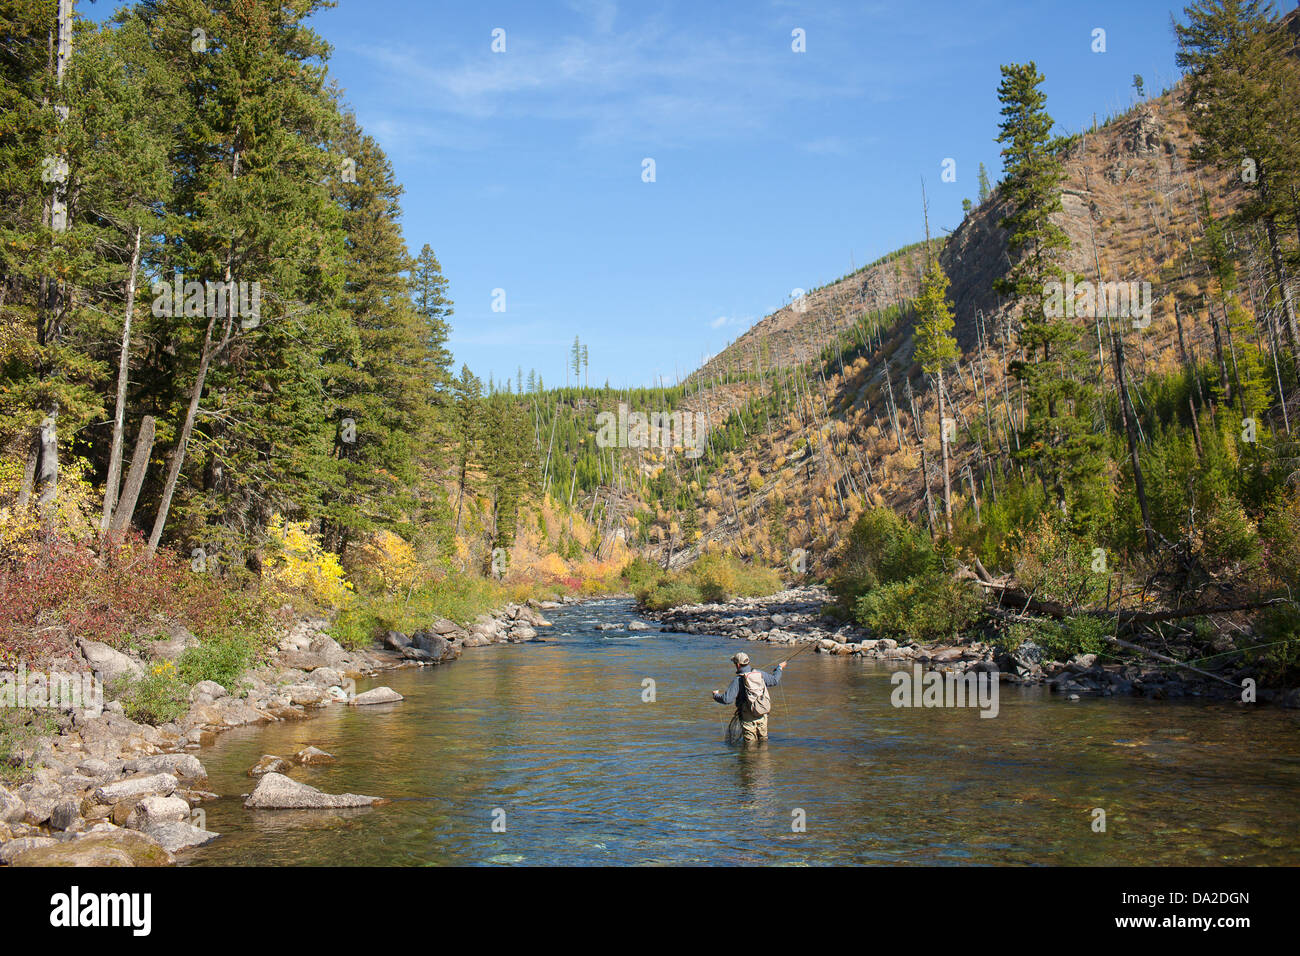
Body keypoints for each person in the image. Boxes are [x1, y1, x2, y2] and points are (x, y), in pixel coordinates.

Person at [712, 651, 785, 742]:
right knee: (763, 741)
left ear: (738, 665)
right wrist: (779, 668)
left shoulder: (738, 680)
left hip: (748, 717)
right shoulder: (759, 673)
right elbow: (774, 680)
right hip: (762, 713)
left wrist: (716, 695)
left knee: (750, 745)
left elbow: (727, 699)